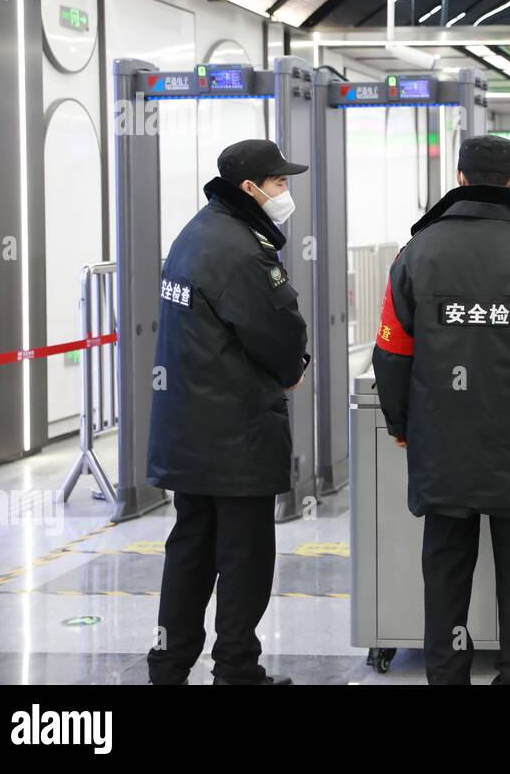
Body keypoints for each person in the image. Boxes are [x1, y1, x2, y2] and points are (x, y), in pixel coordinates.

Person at [372, 135, 510, 685]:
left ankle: (447, 674)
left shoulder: (416, 253)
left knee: (446, 560)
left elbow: (391, 350)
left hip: (441, 434)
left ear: (459, 176)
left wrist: (402, 422)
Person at [146, 139, 310, 686]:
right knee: (244, 557)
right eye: (279, 182)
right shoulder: (241, 250)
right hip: (235, 434)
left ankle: (168, 667)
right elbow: (277, 332)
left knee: (190, 548)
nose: (285, 192)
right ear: (251, 188)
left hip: (187, 428)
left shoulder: (194, 234)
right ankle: (237, 669)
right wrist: (295, 364)